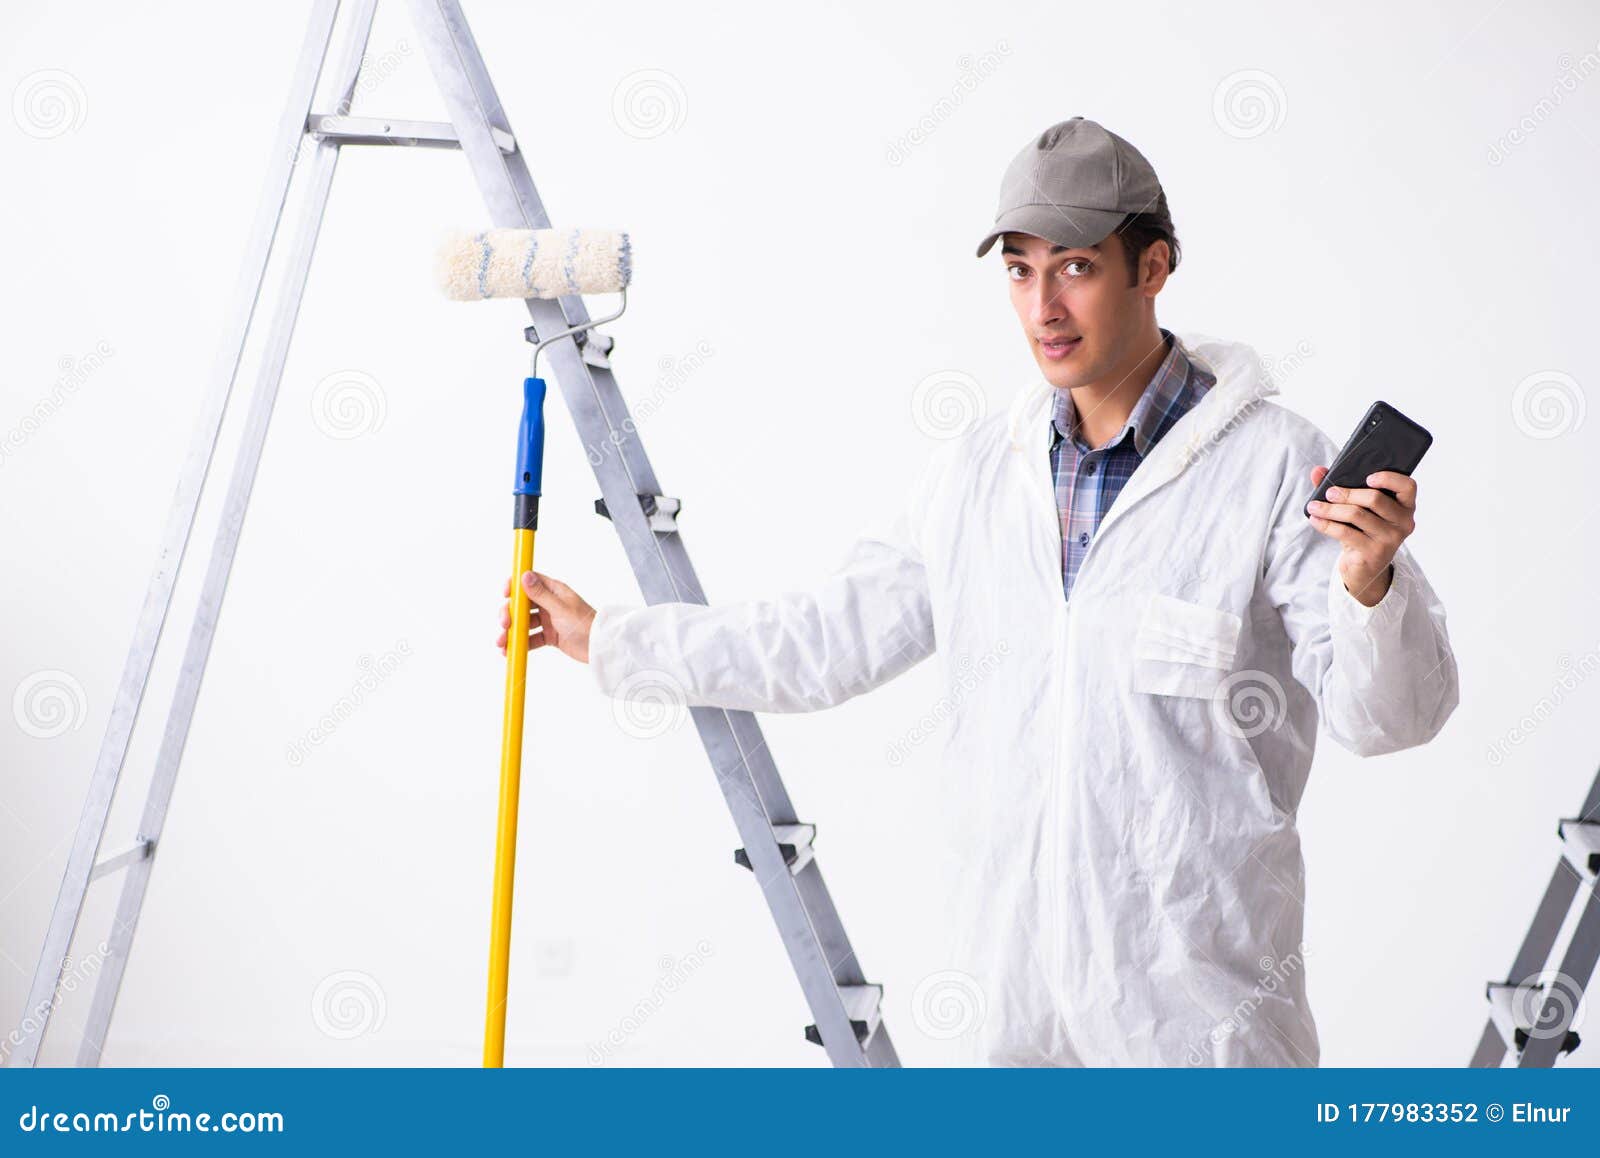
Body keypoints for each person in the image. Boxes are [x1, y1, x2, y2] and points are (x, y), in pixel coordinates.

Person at [494, 117, 1460, 1066]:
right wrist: (614, 640)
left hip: (1199, 1041)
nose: (1043, 306)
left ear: (1153, 267)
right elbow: (828, 639)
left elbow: (1392, 718)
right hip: (1013, 1031)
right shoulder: (976, 480)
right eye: (1019, 269)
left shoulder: (1274, 468)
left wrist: (1370, 583)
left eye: (1076, 266)